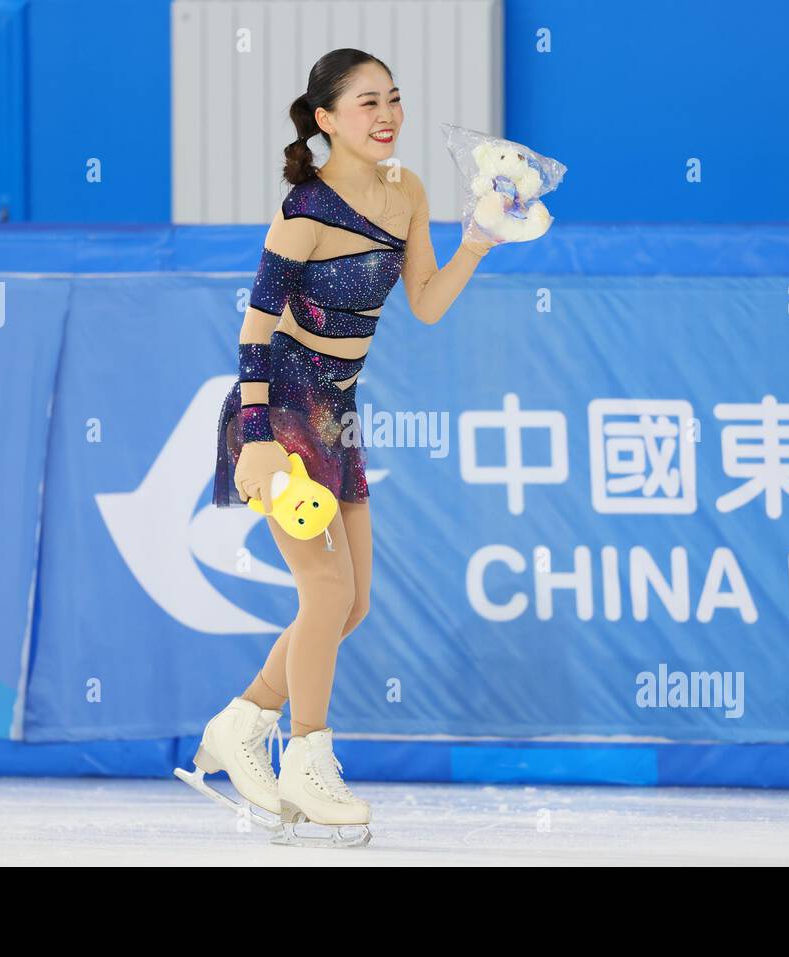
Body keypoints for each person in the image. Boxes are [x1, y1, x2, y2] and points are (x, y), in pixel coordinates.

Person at [183, 48, 495, 847]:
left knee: (351, 603)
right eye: (366, 103)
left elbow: (424, 302)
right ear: (325, 120)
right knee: (324, 595)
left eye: (393, 99)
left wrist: (476, 243)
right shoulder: (303, 211)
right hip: (280, 410)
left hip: (338, 413)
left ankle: (244, 720)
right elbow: (254, 331)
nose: (386, 114)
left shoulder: (409, 191)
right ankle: (308, 759)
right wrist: (254, 441)